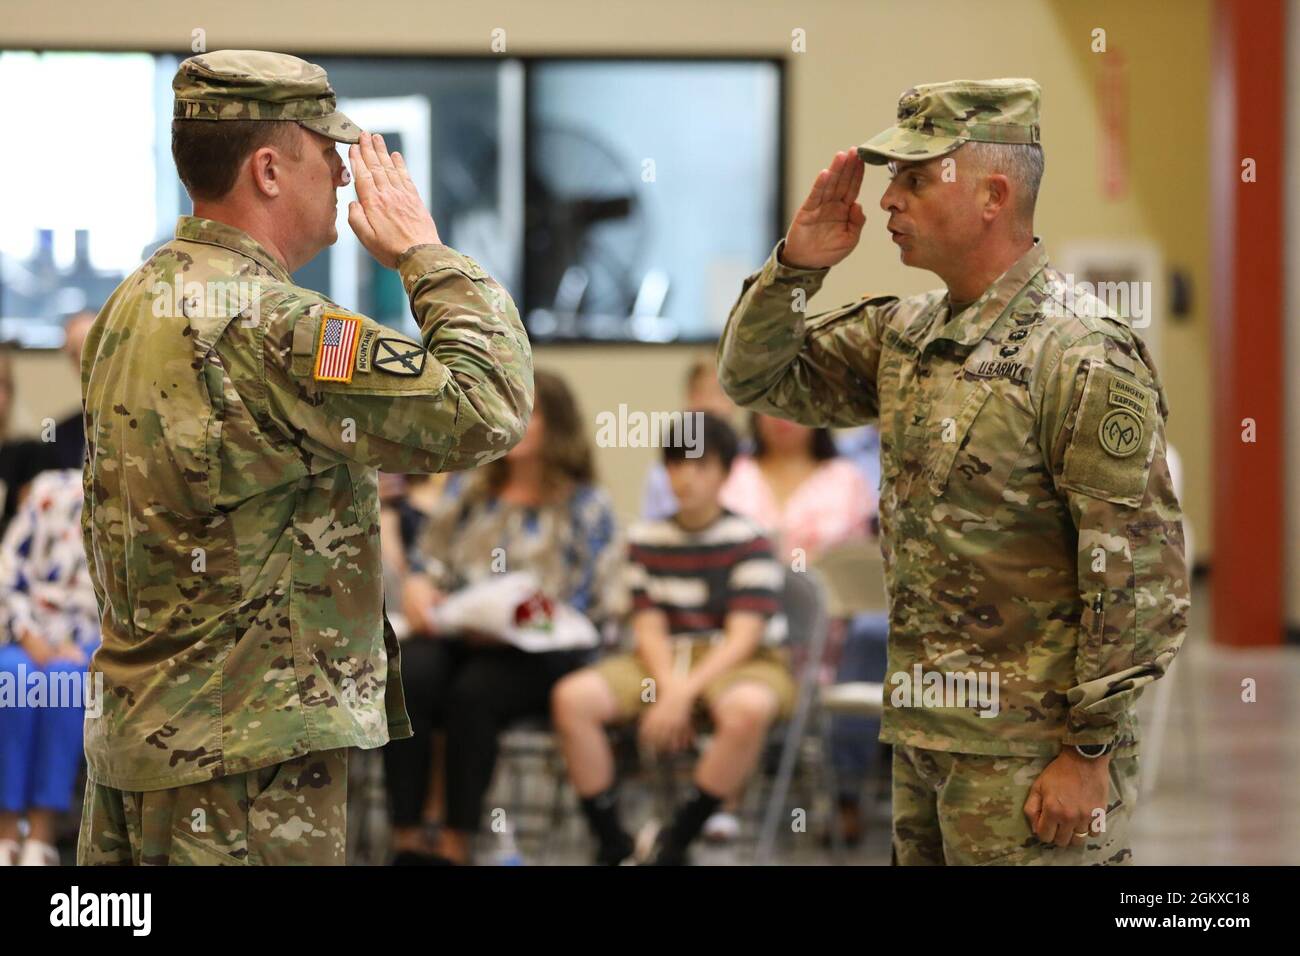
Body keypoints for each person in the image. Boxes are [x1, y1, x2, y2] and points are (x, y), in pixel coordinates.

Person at [77, 50, 533, 866]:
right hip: (244, 761)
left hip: (137, 740)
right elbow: (489, 408)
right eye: (328, 152)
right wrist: (426, 257)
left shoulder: (132, 302)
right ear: (267, 170)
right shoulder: (279, 326)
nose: (345, 173)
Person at [716, 79, 1189, 865]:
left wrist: (1089, 754)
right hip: (925, 736)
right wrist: (797, 267)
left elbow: (1137, 573)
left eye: (912, 177)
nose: (888, 201)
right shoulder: (905, 335)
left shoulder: (1078, 351)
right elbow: (754, 378)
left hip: (1032, 756)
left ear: (993, 195)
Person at [391, 370, 625, 865]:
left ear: (557, 427)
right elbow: (429, 560)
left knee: (473, 692)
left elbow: (591, 606)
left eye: (531, 411)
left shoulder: (586, 506)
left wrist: (514, 624)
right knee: (411, 673)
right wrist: (420, 585)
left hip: (542, 649)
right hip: (462, 631)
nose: (515, 421)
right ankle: (407, 837)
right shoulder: (471, 489)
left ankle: (455, 841)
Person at [552, 413, 794, 865]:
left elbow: (743, 636)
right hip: (660, 657)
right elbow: (648, 625)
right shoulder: (645, 538)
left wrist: (682, 693)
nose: (687, 477)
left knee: (748, 710)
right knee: (572, 698)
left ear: (726, 472)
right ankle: (613, 842)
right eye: (677, 464)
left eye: (701, 466)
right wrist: (667, 685)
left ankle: (675, 841)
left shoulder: (751, 540)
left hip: (740, 659)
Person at [0, 469, 99, 865]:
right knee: (14, 677)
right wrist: (26, 633)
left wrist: (81, 646)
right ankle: (6, 829)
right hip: (28, 633)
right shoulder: (48, 489)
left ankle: (41, 833)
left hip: (87, 640)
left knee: (65, 681)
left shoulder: (132, 498)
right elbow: (7, 573)